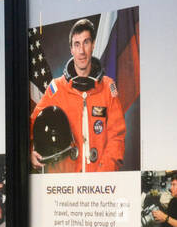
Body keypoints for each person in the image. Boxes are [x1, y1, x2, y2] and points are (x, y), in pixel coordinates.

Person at [30, 18, 125, 172]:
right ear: (71, 49)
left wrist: (103, 174)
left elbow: (117, 137)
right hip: (68, 183)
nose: (81, 51)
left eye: (86, 42)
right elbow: (33, 122)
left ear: (93, 45)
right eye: (77, 44)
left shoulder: (108, 87)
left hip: (99, 181)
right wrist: (30, 151)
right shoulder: (57, 88)